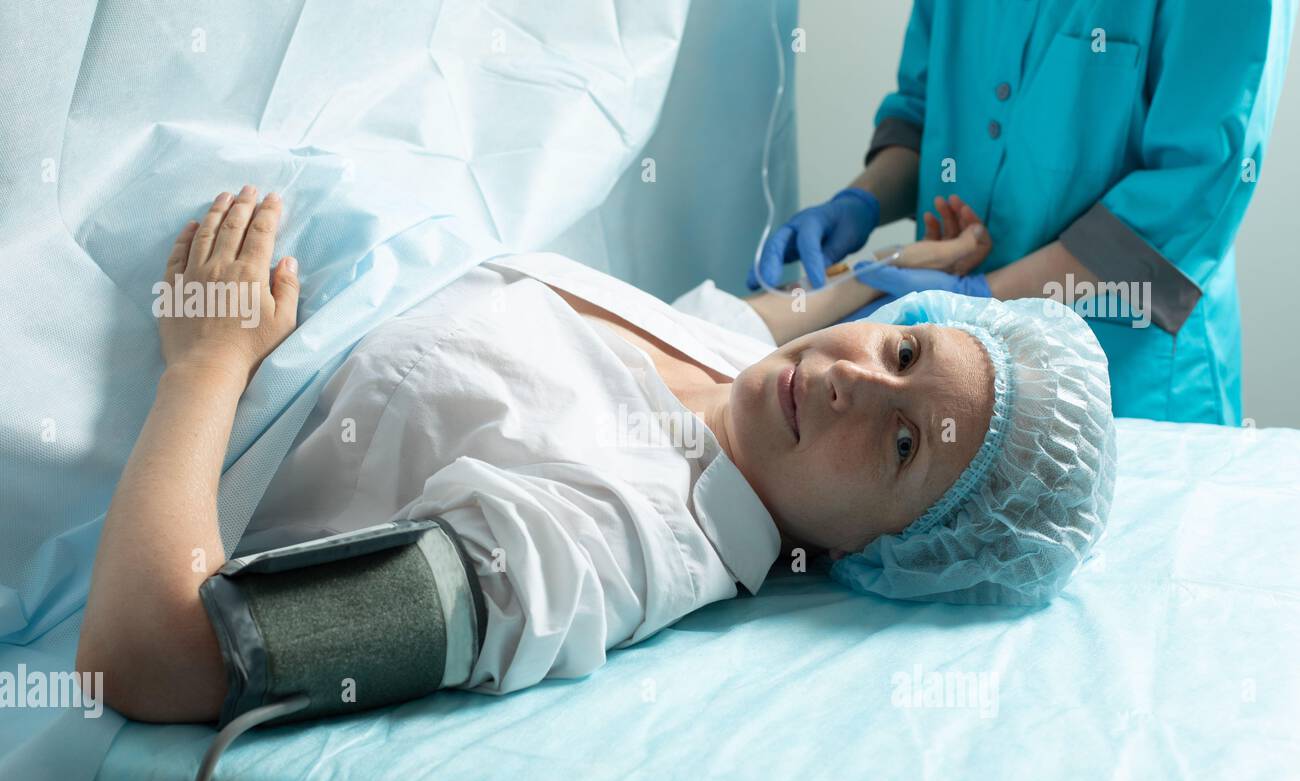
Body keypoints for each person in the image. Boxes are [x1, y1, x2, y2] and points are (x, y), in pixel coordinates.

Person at [76, 186, 1115, 724]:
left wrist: (201, 365)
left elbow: (157, 656)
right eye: (903, 348)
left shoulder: (590, 554)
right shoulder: (753, 391)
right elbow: (744, 326)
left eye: (899, 443)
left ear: (882, 552)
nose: (854, 379)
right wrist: (885, 277)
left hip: (99, 375)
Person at [752, 0, 1296, 425]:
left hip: (1128, 373)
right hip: (953, 363)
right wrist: (860, 201)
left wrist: (979, 297)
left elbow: (1192, 195)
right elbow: (921, 108)